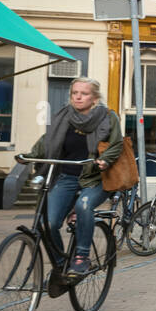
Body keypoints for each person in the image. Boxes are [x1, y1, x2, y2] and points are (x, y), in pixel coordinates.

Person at [29, 77, 125, 276]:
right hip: (66, 176)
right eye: (75, 93)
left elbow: (117, 144)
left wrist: (105, 159)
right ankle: (61, 265)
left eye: (84, 93)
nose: (78, 97)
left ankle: (82, 257)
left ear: (95, 98)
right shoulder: (63, 116)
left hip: (96, 178)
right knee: (48, 223)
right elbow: (47, 142)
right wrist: (28, 156)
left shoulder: (107, 116)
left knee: (84, 205)